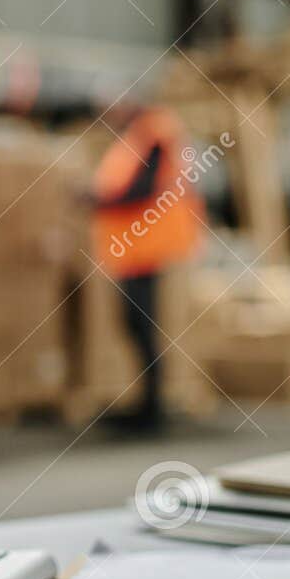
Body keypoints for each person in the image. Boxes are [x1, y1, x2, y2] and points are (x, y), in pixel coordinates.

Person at [90, 102, 204, 431]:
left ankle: (151, 407)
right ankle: (146, 403)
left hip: (147, 246)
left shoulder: (154, 135)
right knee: (135, 324)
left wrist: (98, 200)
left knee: (142, 324)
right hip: (135, 248)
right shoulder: (139, 137)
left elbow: (142, 189)